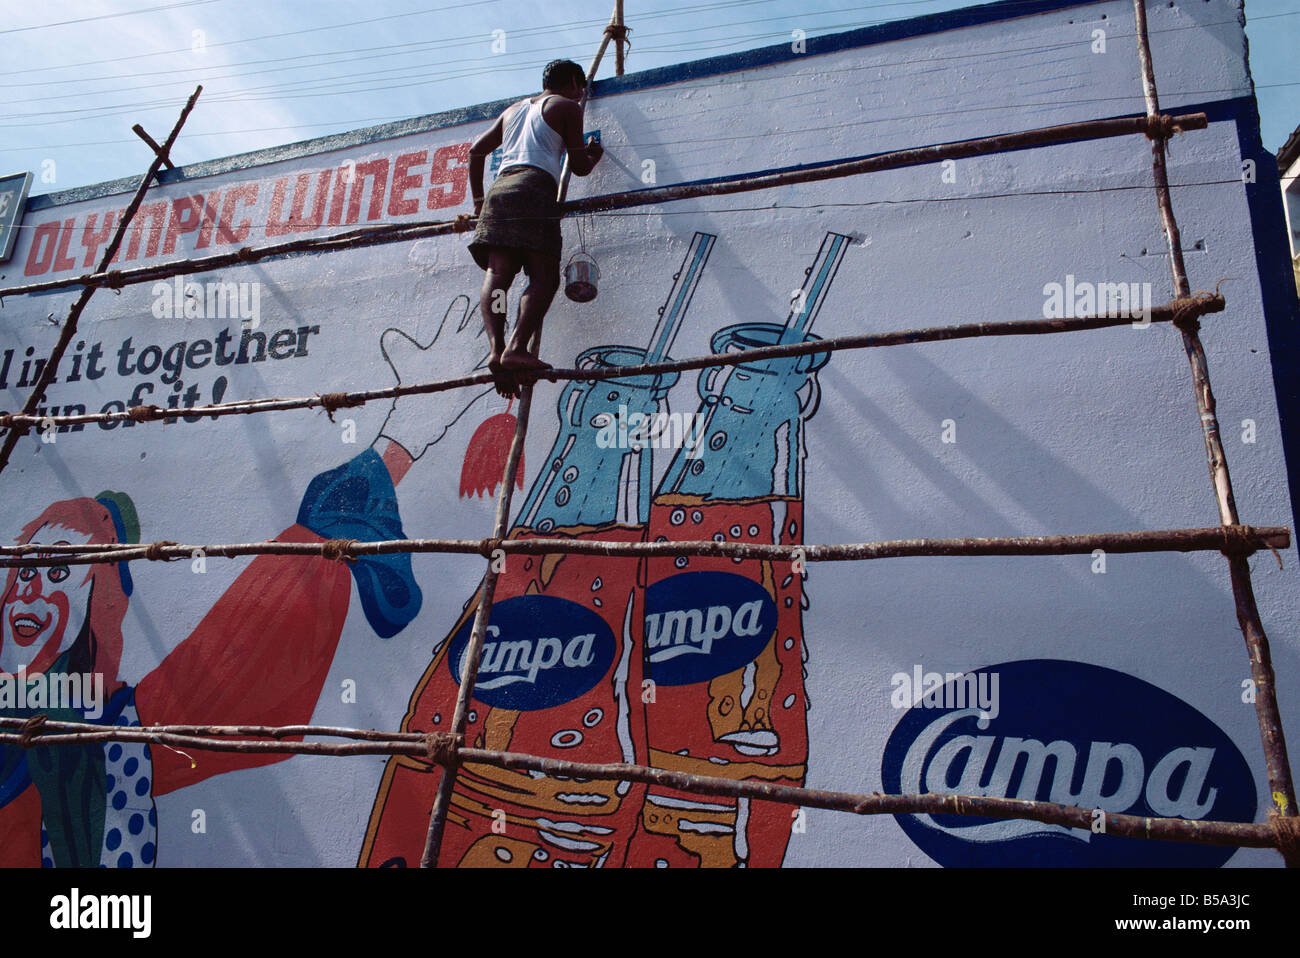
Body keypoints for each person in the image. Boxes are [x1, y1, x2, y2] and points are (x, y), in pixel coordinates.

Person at [455, 59, 604, 396]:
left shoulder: (513, 111)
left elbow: (475, 151)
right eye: (579, 88)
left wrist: (479, 201)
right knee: (545, 277)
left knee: (498, 275)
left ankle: (496, 348)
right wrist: (594, 155)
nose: (581, 95)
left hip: (500, 192)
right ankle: (517, 347)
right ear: (571, 83)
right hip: (535, 190)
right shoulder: (567, 106)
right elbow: (579, 167)